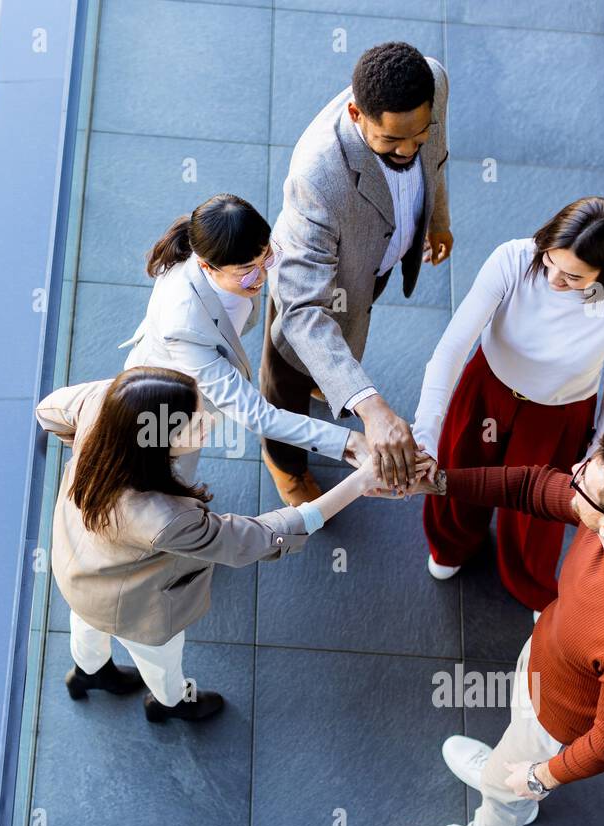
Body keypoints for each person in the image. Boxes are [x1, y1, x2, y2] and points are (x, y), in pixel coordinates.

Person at [389, 435, 604, 826]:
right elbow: (529, 488)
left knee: (507, 788)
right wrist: (438, 482)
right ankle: (507, 770)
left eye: (583, 477)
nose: (572, 473)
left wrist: (540, 776)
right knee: (515, 743)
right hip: (549, 660)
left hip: (555, 723)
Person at [36, 367, 382, 723]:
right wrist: (358, 484)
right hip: (131, 610)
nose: (210, 424)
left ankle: (88, 673)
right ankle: (170, 703)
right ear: (155, 439)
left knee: (85, 627)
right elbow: (257, 538)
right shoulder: (165, 518)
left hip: (76, 572)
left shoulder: (102, 408)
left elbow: (48, 410)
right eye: (195, 423)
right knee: (162, 664)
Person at [412, 198, 604, 616]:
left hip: (558, 415)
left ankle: (526, 577)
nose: (554, 279)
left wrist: (597, 454)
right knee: (458, 470)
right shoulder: (514, 258)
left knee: (537, 511)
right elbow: (453, 346)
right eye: (551, 263)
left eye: (574, 276)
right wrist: (426, 431)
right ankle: (451, 543)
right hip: (488, 389)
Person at [263, 40, 452, 505]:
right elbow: (302, 310)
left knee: (344, 333)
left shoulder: (435, 81)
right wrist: (372, 407)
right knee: (288, 375)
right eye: (391, 141)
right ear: (355, 114)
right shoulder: (317, 176)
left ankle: (329, 378)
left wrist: (438, 221)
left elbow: (436, 160)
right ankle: (284, 462)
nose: (408, 150)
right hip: (310, 287)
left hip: (368, 263)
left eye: (418, 134)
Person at [121, 194, 369, 480]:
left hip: (191, 370)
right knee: (173, 467)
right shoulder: (185, 327)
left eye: (267, 259)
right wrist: (345, 442)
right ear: (206, 266)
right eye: (248, 273)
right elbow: (257, 415)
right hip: (166, 404)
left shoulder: (219, 241)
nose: (262, 277)